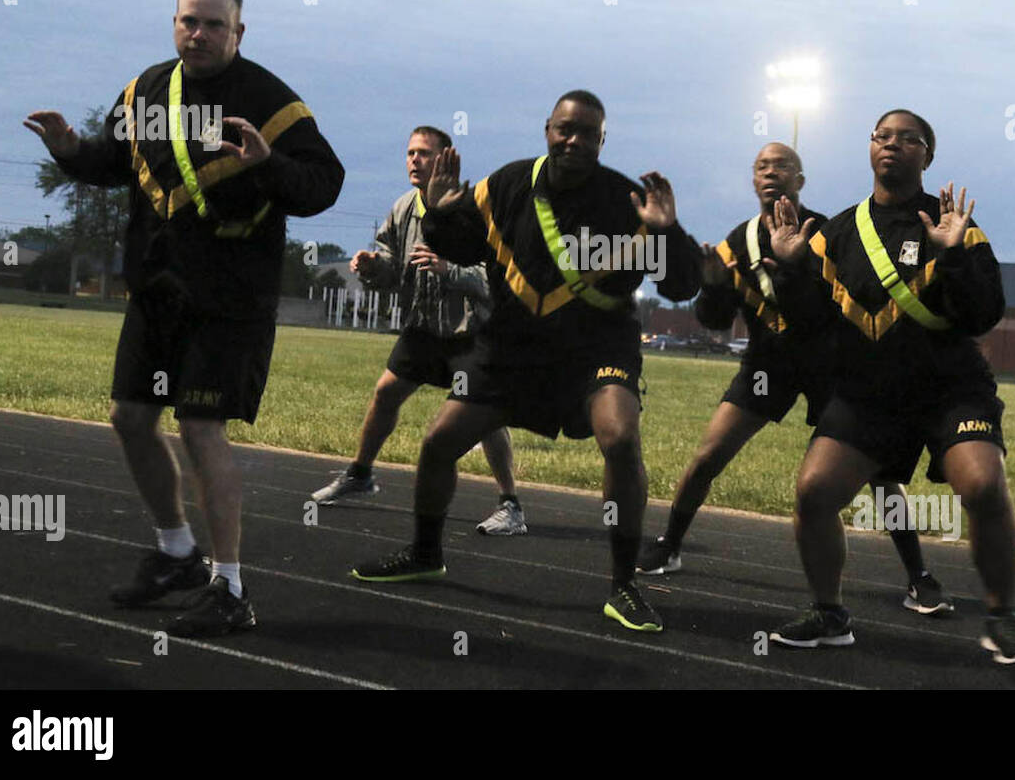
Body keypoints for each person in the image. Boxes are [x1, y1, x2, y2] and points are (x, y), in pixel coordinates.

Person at [23, 0, 344, 637]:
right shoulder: (145, 89)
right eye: (188, 22)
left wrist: (267, 166)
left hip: (230, 300)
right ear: (174, 23)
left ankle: (230, 587)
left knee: (201, 427)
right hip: (157, 289)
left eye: (213, 25)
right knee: (129, 416)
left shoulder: (269, 100)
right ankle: (176, 552)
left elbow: (324, 182)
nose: (198, 34)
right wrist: (68, 152)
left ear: (238, 32)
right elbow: (114, 161)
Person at [349, 90, 701, 633]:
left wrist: (667, 232)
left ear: (602, 140)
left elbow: (680, 284)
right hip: (512, 349)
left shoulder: (626, 200)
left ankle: (624, 585)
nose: (574, 140)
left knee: (620, 437)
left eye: (587, 132)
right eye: (565, 129)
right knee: (439, 441)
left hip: (597, 350)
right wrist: (440, 213)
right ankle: (424, 553)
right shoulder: (506, 185)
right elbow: (462, 244)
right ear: (547, 130)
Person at [763, 108, 1015, 663]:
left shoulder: (954, 224)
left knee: (983, 487)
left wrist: (953, 253)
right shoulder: (835, 234)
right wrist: (790, 268)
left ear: (927, 155)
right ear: (869, 148)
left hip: (951, 389)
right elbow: (810, 327)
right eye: (882, 136)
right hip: (869, 396)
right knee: (814, 493)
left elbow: (984, 314)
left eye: (908, 138)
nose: (892, 145)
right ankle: (830, 614)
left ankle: (1002, 615)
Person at [638, 142, 953, 616]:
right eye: (762, 166)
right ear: (752, 179)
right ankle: (670, 542)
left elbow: (845, 306)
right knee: (708, 454)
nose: (771, 173)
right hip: (767, 365)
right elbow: (716, 321)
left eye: (782, 165)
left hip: (832, 365)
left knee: (882, 475)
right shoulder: (736, 241)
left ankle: (918, 575)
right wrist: (715, 287)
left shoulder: (829, 233)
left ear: (800, 180)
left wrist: (799, 272)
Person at [311, 126, 525, 535]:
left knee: (486, 417)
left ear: (446, 160)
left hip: (469, 332)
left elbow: (497, 278)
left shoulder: (475, 209)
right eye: (410, 152)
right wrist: (373, 266)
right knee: (385, 392)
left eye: (424, 153)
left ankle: (511, 504)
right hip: (423, 327)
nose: (414, 160)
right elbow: (392, 268)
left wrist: (451, 271)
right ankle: (360, 473)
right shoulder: (403, 208)